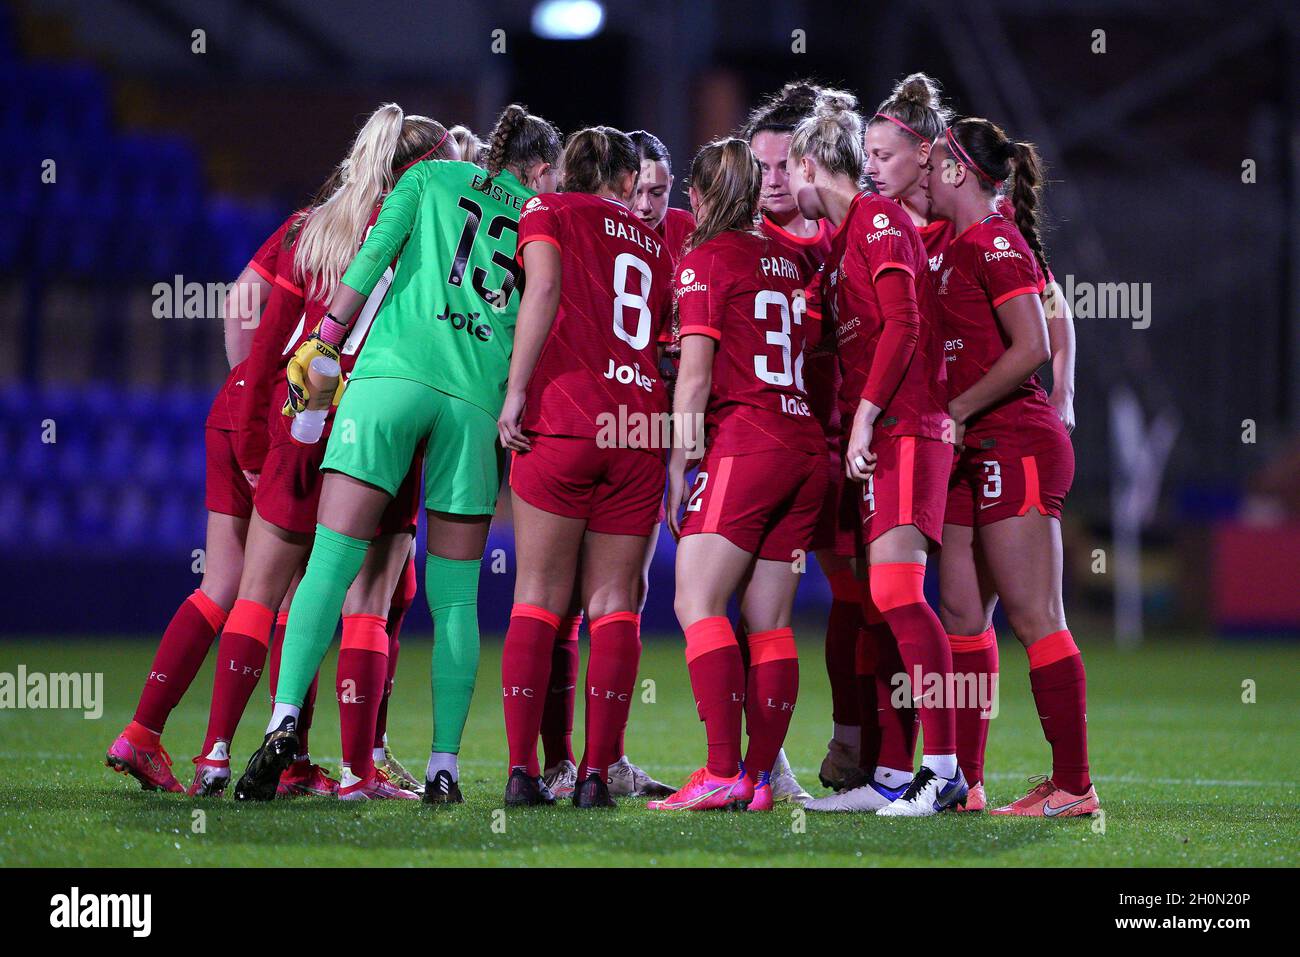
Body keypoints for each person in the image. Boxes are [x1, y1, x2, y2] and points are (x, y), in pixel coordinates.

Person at [232, 104, 562, 803]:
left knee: (330, 560)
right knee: (455, 598)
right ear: (538, 169)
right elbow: (545, 299)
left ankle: (285, 721)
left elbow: (371, 257)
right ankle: (444, 764)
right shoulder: (537, 214)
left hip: (390, 382)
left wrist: (323, 339)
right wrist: (516, 395)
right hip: (472, 405)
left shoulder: (431, 179)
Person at [189, 104, 453, 799]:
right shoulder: (426, 243)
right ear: (419, 173)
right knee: (364, 601)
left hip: (298, 419)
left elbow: (267, 332)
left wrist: (252, 440)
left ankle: (215, 754)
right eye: (447, 162)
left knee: (260, 594)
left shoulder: (317, 227)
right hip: (372, 430)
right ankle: (357, 773)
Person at [787, 90, 966, 817]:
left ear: (809, 162)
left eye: (788, 166)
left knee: (897, 595)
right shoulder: (843, 242)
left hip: (906, 430)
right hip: (882, 436)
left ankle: (945, 769)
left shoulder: (881, 218)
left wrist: (860, 420)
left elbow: (904, 322)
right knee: (874, 603)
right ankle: (892, 774)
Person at [925, 117, 1098, 817]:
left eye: (932, 161)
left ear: (958, 170)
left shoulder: (995, 239)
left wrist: (957, 407)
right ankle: (966, 780)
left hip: (1013, 441)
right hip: (972, 450)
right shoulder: (962, 241)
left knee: (1036, 616)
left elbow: (1033, 343)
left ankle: (1074, 785)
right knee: (964, 616)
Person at [498, 126, 673, 809]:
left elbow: (540, 291)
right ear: (628, 182)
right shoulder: (655, 241)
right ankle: (597, 773)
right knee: (614, 604)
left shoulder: (547, 211)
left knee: (538, 596)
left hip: (565, 413)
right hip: (638, 426)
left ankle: (522, 771)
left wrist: (515, 391)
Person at [650, 138, 826, 811]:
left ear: (696, 196)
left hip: (746, 441)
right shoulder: (789, 259)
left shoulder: (703, 260)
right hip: (804, 444)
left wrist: (678, 464)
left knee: (695, 602)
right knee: (770, 618)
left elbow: (693, 379)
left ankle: (723, 768)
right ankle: (755, 779)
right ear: (756, 192)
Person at [104, 218, 282, 792]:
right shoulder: (379, 228)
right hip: (293, 416)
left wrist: (247, 383)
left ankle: (141, 732)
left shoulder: (308, 222)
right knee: (290, 591)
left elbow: (238, 303)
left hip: (235, 404)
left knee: (219, 587)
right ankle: (261, 757)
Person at [745, 80, 852, 799]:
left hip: (842, 447)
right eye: (763, 168)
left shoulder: (850, 235)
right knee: (759, 608)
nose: (774, 181)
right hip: (761, 447)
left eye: (786, 166)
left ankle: (858, 745)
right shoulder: (733, 238)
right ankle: (759, 765)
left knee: (863, 598)